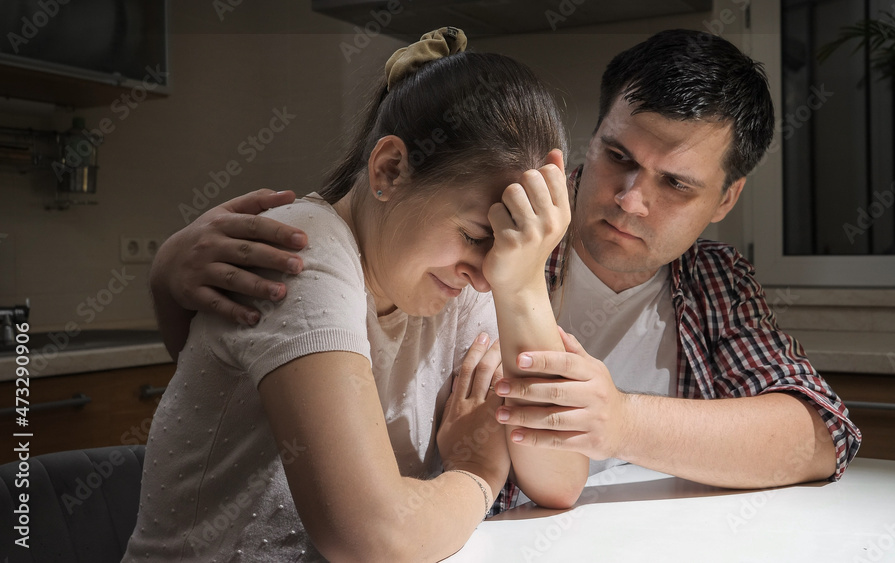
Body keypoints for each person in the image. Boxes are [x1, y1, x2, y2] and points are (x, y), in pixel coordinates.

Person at [149, 29, 861, 507]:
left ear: (725, 199)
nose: (629, 199)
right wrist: (167, 284)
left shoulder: (712, 280)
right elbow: (265, 378)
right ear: (594, 135)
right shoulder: (481, 240)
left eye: (675, 184)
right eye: (617, 157)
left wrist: (618, 420)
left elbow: (817, 435)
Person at [124, 28, 586, 562]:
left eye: (507, 251)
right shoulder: (303, 254)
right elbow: (372, 537)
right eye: (475, 236)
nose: (486, 276)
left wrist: (524, 283)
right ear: (389, 168)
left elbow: (561, 479)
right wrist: (476, 473)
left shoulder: (463, 277)